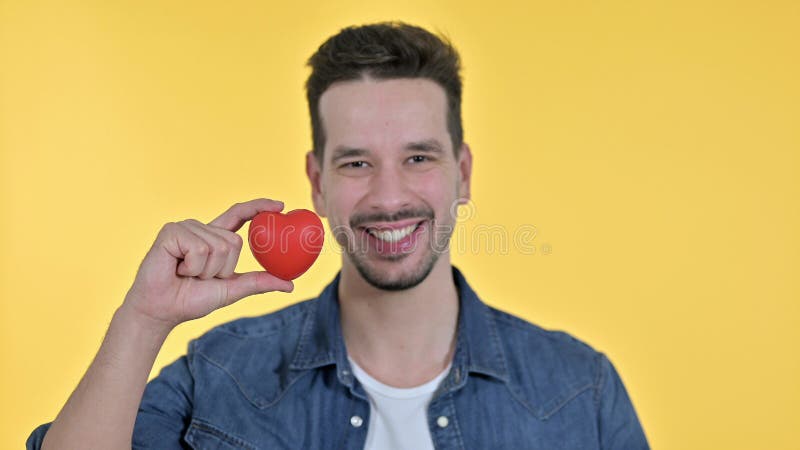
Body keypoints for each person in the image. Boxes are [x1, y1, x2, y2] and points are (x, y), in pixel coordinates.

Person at [27, 22, 649, 449]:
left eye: (418, 158)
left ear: (461, 173)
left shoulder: (581, 391)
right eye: (356, 163)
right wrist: (143, 320)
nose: (388, 196)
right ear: (317, 183)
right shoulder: (218, 375)